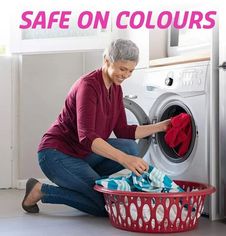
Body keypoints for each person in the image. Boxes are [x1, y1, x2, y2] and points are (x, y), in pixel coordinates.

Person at [21, 39, 170, 217]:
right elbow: (87, 137)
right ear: (107, 61)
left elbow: (124, 131)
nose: (126, 75)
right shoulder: (88, 86)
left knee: (131, 148)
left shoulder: (116, 89)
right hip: (56, 154)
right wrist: (124, 160)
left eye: (130, 70)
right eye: (122, 69)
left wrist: (162, 126)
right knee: (107, 205)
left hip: (83, 155)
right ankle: (40, 190)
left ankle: (84, 182)